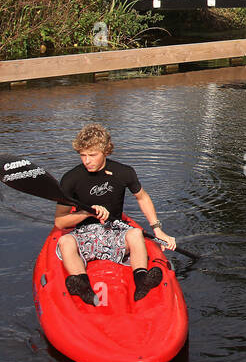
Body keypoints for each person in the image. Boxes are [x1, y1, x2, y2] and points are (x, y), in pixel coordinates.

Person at [54, 123, 176, 305]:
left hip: (114, 231)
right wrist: (87, 214)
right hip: (85, 236)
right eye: (83, 155)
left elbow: (142, 198)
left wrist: (157, 229)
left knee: (135, 233)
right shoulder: (71, 178)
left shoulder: (123, 172)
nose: (87, 161)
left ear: (106, 151)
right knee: (65, 241)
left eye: (92, 155)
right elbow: (60, 222)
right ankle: (82, 285)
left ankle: (142, 280)